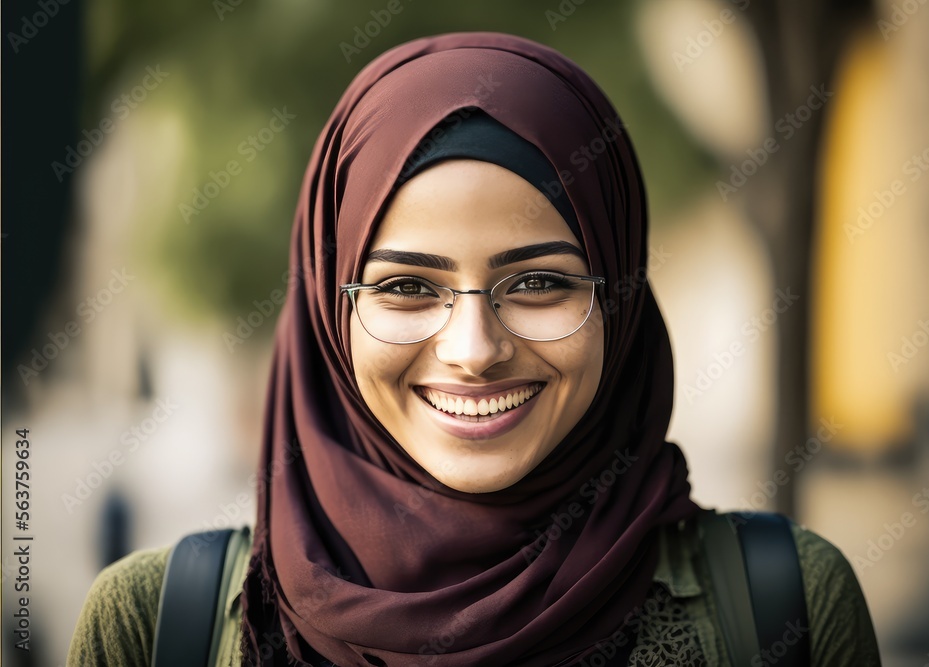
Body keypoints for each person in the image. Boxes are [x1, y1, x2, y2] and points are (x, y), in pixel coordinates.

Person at [68, 32, 880, 666]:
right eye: (406, 288)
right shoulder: (155, 626)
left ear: (620, 300)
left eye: (537, 285)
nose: (474, 348)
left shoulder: (785, 606)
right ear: (327, 309)